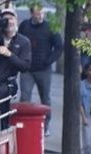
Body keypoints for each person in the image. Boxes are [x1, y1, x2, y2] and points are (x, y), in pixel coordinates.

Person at [18, 4, 62, 135]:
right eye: (38, 13)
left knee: (45, 98)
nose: (40, 16)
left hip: (44, 69)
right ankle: (24, 123)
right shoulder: (25, 26)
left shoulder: (50, 28)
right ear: (32, 14)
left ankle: (46, 125)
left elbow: (59, 46)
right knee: (25, 97)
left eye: (42, 13)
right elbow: (19, 41)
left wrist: (48, 61)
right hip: (28, 69)